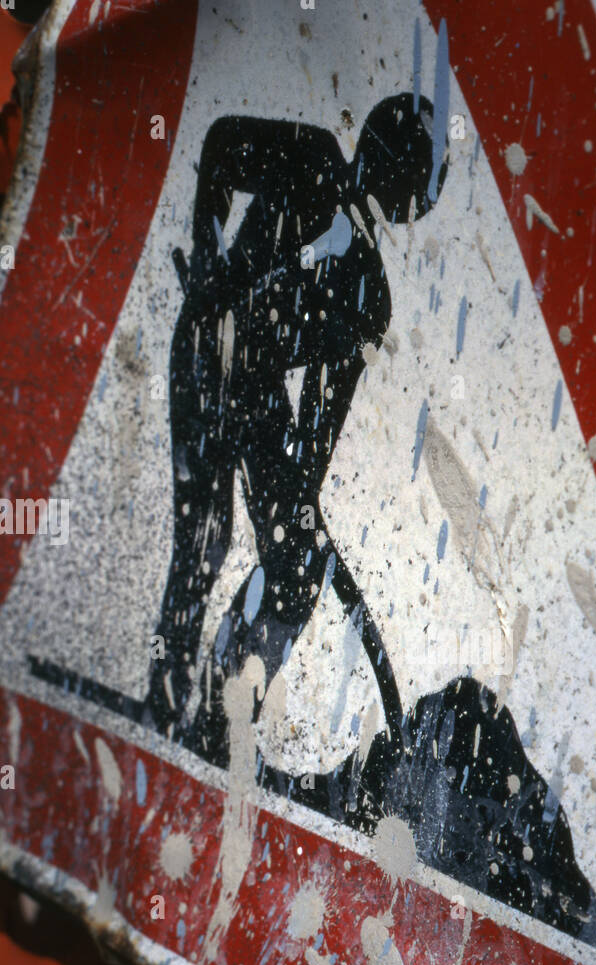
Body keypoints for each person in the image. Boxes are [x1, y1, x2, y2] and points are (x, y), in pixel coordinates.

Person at [146, 94, 447, 763]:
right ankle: (163, 703)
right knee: (205, 539)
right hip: (208, 341)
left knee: (297, 566)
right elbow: (223, 140)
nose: (402, 190)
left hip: (254, 396)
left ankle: (224, 722)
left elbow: (316, 431)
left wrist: (300, 509)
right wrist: (208, 250)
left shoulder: (371, 296)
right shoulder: (310, 156)